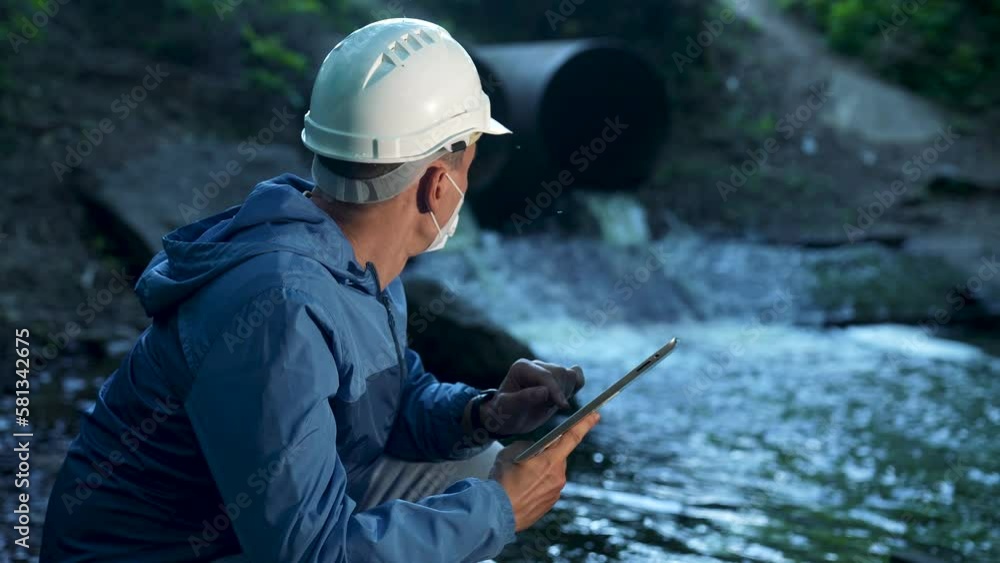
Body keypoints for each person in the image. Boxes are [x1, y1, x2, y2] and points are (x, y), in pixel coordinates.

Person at [41, 18, 599, 563]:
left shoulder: (352, 259)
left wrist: (483, 414)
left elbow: (383, 407)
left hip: (238, 536)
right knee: (482, 505)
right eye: (468, 166)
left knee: (473, 471)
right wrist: (499, 510)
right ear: (436, 184)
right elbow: (308, 553)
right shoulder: (279, 304)